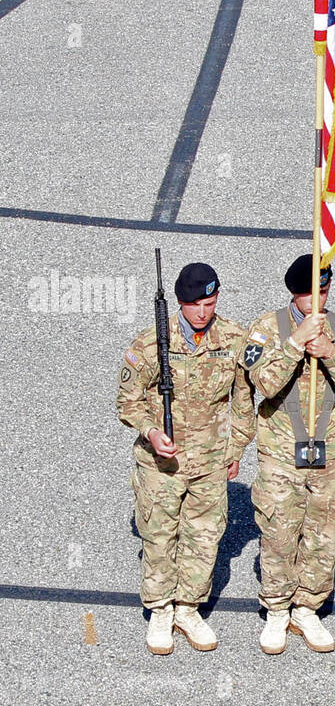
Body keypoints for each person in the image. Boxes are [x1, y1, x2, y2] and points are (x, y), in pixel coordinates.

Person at [117, 261, 254, 655]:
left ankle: (188, 606)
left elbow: (243, 400)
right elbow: (127, 402)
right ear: (180, 303)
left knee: (205, 537)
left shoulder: (232, 338)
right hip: (161, 463)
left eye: (209, 303)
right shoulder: (150, 344)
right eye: (195, 305)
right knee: (159, 535)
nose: (202, 312)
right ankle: (160, 609)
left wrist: (236, 447)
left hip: (210, 459)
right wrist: (151, 431)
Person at [242, 254, 335, 655]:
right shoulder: (265, 329)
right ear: (295, 293)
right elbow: (264, 384)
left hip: (329, 450)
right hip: (280, 452)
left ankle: (308, 606)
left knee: (322, 533)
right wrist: (295, 345)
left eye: (326, 292)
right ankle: (277, 608)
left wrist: (331, 353)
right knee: (279, 532)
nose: (320, 301)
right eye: (313, 293)